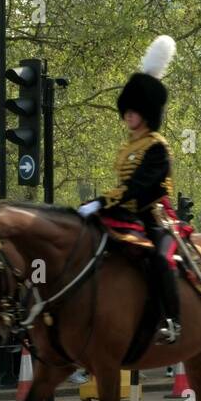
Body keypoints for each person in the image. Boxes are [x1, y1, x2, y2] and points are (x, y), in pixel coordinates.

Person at [76, 35, 182, 344]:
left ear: (146, 112)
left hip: (155, 217)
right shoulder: (127, 148)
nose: (128, 116)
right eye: (126, 111)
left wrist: (101, 201)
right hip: (125, 212)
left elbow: (141, 188)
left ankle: (174, 321)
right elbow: (125, 186)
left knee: (161, 260)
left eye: (133, 111)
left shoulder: (157, 147)